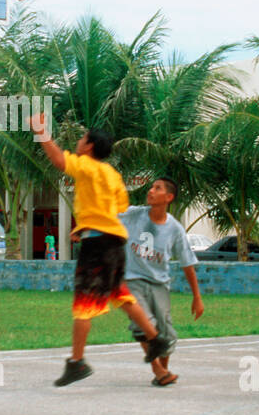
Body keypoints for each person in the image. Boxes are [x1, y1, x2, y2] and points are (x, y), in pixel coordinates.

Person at [30, 114, 175, 386]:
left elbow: (59, 161)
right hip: (114, 243)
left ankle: (76, 362)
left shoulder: (85, 165)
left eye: (82, 139)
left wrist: (41, 132)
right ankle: (156, 340)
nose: (78, 141)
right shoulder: (112, 174)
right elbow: (119, 207)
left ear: (89, 147)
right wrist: (87, 222)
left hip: (97, 246)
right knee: (121, 296)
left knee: (83, 305)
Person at [121, 177, 204, 386]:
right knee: (145, 324)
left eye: (157, 188)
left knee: (166, 335)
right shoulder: (133, 214)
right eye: (151, 187)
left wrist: (197, 297)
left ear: (168, 197)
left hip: (159, 284)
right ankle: (158, 370)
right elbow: (105, 217)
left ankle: (163, 373)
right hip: (132, 279)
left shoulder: (174, 229)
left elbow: (187, 263)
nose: (150, 191)